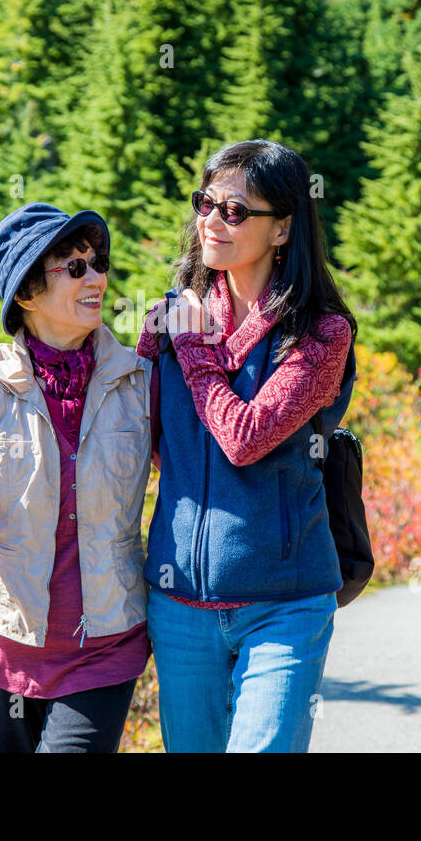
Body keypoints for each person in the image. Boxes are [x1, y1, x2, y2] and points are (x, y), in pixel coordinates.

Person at [136, 138, 357, 753]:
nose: (211, 221)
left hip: (284, 603)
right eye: (205, 204)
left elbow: (243, 438)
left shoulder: (319, 334)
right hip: (179, 601)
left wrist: (194, 350)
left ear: (282, 228)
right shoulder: (172, 318)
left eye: (235, 211)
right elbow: (142, 440)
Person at [0, 202, 152, 752]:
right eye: (74, 268)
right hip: (0, 643)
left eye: (97, 262)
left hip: (105, 647)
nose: (96, 277)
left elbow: (197, 478)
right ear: (27, 295)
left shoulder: (139, 383)